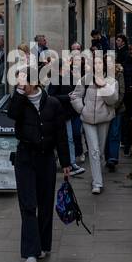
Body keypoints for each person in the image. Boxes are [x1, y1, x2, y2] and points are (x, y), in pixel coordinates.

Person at [9, 48, 71, 262]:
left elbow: (61, 136)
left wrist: (66, 163)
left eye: (24, 79)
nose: (21, 83)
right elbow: (11, 114)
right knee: (28, 204)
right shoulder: (19, 102)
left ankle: (43, 245)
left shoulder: (52, 103)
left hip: (46, 160)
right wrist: (18, 92)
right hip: (25, 158)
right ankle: (30, 253)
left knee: (45, 204)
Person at [71, 47, 123, 195]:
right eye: (96, 63)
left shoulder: (111, 80)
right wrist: (82, 109)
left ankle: (97, 175)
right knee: (93, 150)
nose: (98, 65)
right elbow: (75, 96)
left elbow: (113, 100)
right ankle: (97, 182)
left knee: (99, 151)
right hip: (87, 119)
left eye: (100, 63)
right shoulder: (85, 79)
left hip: (103, 119)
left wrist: (103, 86)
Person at [47, 40, 86, 177]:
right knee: (65, 139)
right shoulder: (55, 79)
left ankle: (71, 163)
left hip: (68, 113)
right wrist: (67, 97)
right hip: (59, 114)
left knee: (69, 138)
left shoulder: (70, 77)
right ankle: (70, 164)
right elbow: (51, 96)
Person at [104, 35, 129, 170]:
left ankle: (112, 158)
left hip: (117, 109)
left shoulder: (119, 74)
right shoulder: (102, 75)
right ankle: (107, 156)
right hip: (104, 109)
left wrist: (115, 105)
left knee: (114, 133)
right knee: (106, 134)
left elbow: (122, 92)